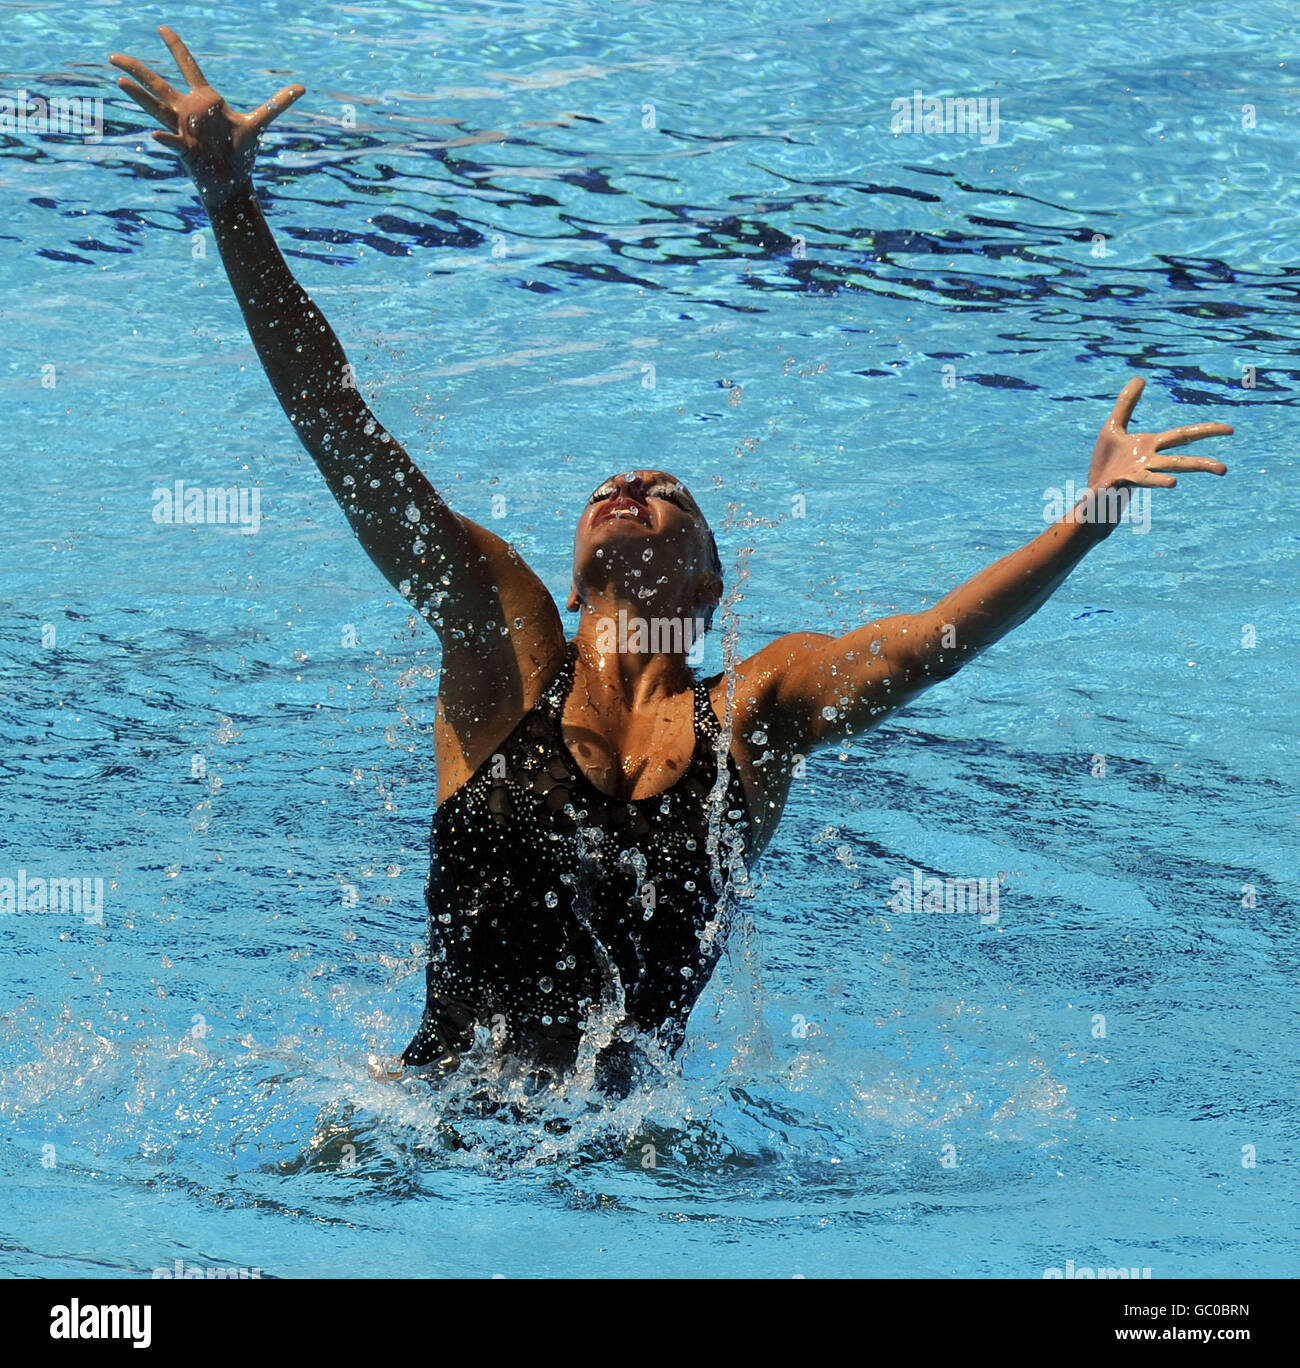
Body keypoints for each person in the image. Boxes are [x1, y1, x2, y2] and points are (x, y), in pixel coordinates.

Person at [110, 27, 1233, 1091]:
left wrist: (1079, 523)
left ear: (706, 584)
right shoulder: (500, 642)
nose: (629, 487)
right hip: (433, 1119)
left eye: (668, 496)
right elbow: (338, 430)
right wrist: (231, 199)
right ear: (575, 558)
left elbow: (920, 651)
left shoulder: (754, 712)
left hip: (630, 1153)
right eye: (614, 489)